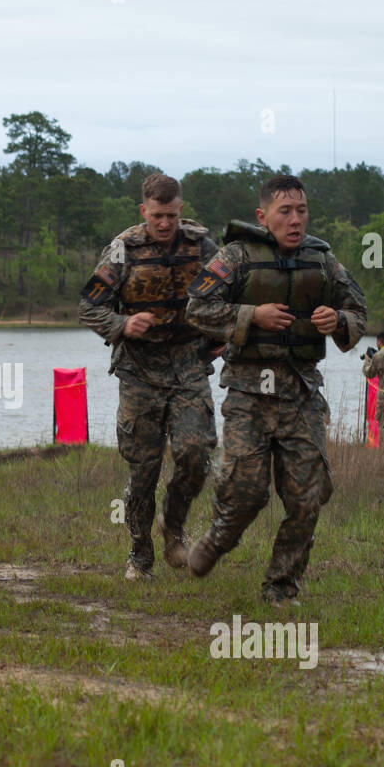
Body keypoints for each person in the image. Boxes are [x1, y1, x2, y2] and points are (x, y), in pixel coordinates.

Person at [184, 175, 367, 605]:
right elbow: (197, 308)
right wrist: (252, 315)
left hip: (301, 394)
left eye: (301, 210)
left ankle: (281, 587)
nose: (295, 219)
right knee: (246, 493)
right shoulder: (237, 257)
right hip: (249, 395)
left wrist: (337, 322)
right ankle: (216, 539)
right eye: (285, 212)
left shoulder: (323, 261)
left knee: (307, 497)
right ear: (263, 216)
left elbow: (357, 310)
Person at [78, 173, 220, 580]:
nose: (164, 224)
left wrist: (225, 334)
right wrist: (122, 324)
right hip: (139, 372)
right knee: (143, 471)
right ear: (144, 211)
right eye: (157, 216)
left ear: (181, 210)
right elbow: (88, 307)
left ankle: (173, 526)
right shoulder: (123, 251)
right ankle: (140, 553)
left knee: (196, 454)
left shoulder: (202, 247)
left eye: (172, 216)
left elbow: (230, 295)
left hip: (189, 366)